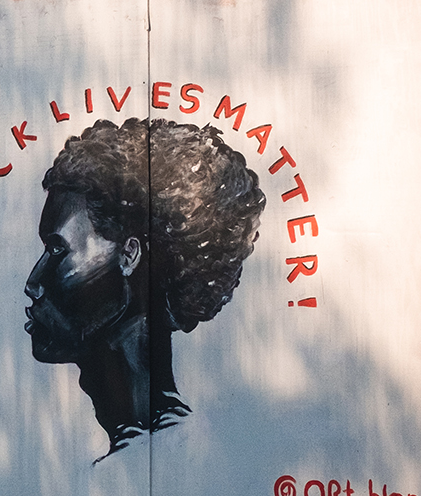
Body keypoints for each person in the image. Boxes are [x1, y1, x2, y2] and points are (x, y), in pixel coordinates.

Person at [24, 117, 266, 455]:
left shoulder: (158, 457)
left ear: (129, 254)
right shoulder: (172, 449)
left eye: (57, 249)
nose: (33, 284)